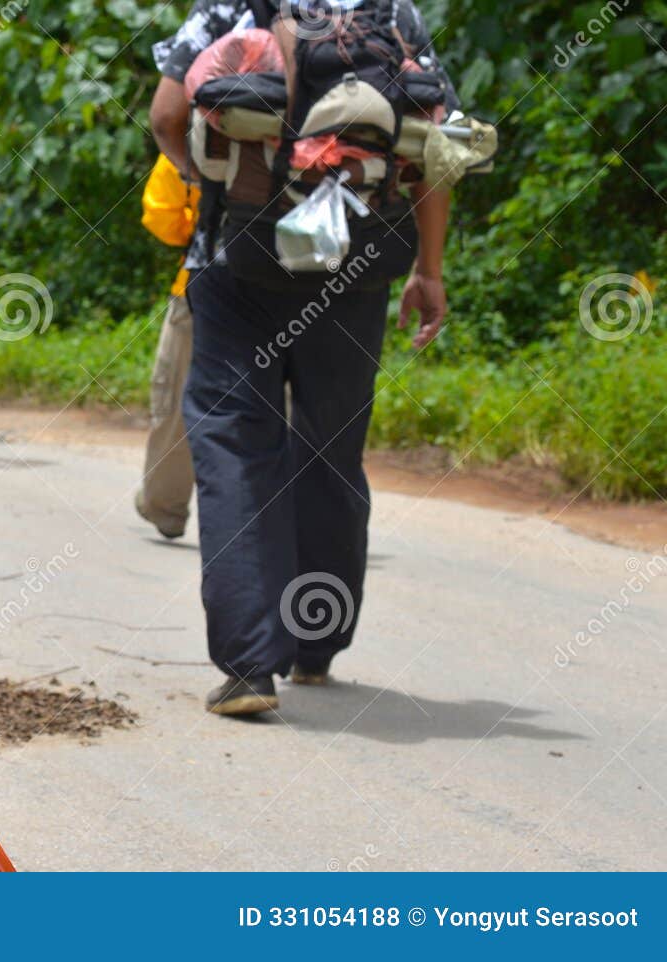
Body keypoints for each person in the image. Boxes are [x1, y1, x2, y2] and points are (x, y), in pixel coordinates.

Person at [148, 0, 456, 716]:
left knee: (232, 448)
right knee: (331, 451)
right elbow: (434, 148)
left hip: (237, 263)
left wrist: (217, 186)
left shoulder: (232, 6)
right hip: (357, 270)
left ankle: (250, 668)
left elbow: (167, 114)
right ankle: (315, 645)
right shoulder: (396, 16)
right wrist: (430, 271)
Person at [135, 154, 201, 541]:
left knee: (176, 401)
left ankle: (165, 506)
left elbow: (161, 215)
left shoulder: (199, 126)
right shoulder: (316, 129)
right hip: (299, 295)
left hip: (202, 285)